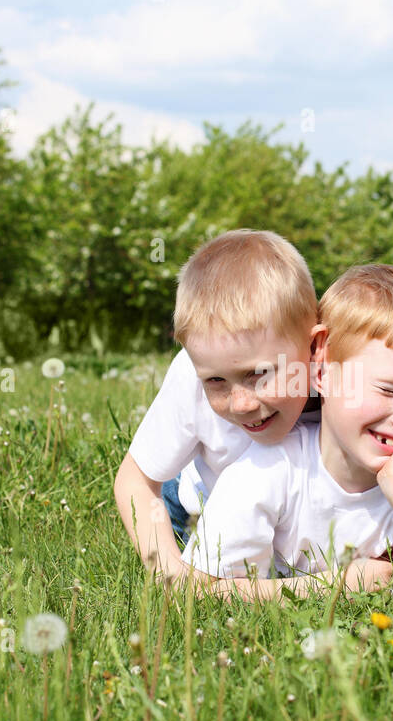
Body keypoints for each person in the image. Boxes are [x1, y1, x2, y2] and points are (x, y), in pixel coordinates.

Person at [183, 263, 393, 601]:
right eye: (388, 390)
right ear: (323, 370)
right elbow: (198, 592)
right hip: (192, 490)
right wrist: (333, 586)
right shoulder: (267, 471)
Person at [113, 229, 322, 581]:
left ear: (315, 348)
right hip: (203, 500)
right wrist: (170, 571)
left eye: (259, 374)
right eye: (216, 381)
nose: (241, 403)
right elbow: (134, 481)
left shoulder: (345, 381)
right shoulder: (189, 376)